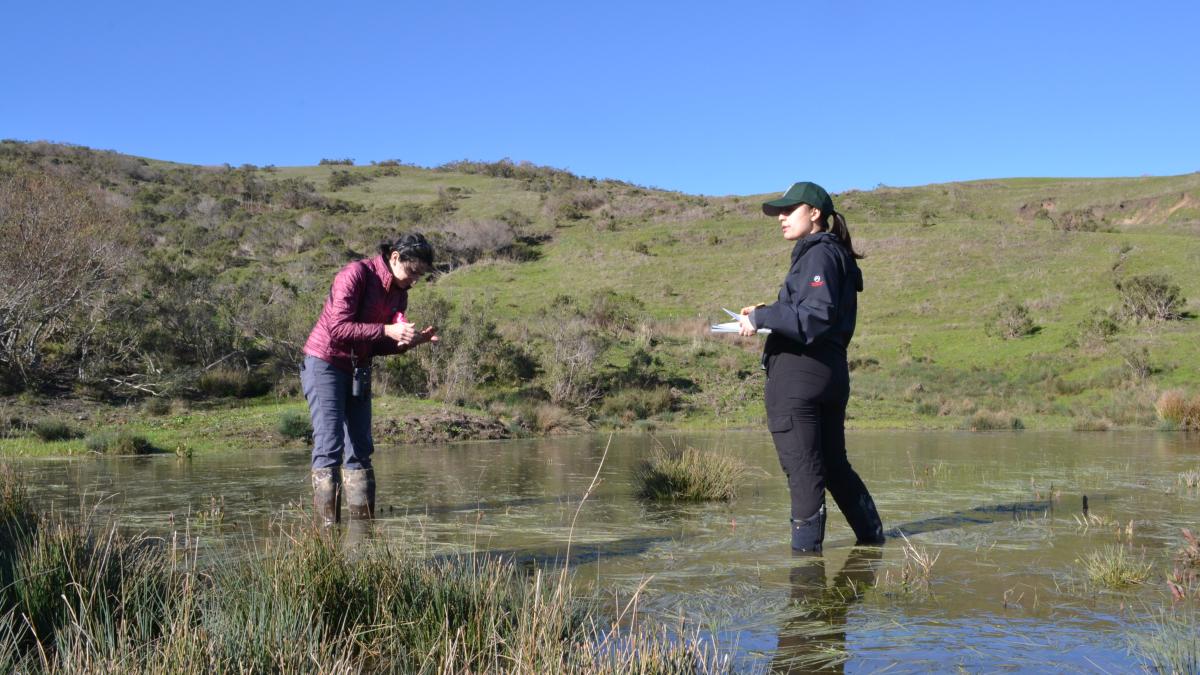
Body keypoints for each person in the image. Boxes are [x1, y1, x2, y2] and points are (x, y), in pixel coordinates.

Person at [738, 182, 884, 552]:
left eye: (790, 210)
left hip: (799, 377)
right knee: (834, 467)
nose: (781, 218)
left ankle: (807, 579)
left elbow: (815, 317)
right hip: (831, 374)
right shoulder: (836, 255)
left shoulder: (817, 254)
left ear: (815, 213)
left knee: (805, 474)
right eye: (779, 213)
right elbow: (815, 311)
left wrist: (762, 315)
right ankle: (874, 546)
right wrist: (767, 313)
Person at [301, 232, 438, 525]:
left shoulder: (400, 292)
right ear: (395, 257)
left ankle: (363, 534)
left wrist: (409, 342)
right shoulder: (355, 275)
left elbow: (376, 345)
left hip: (358, 367)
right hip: (325, 362)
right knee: (329, 446)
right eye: (412, 272)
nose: (414, 280)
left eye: (420, 276)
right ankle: (328, 533)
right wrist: (387, 331)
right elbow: (338, 328)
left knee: (361, 450)